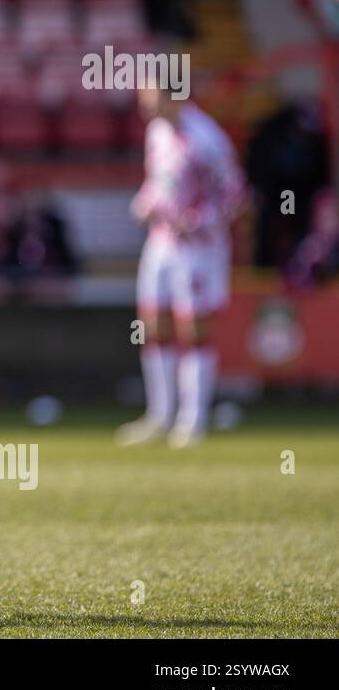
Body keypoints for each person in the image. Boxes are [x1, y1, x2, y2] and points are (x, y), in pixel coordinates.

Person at [117, 82, 245, 450]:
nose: (143, 103)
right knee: (152, 326)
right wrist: (144, 202)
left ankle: (193, 419)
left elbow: (236, 195)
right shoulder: (157, 132)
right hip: (160, 242)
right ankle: (160, 414)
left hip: (198, 248)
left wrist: (199, 220)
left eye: (150, 95)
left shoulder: (207, 139)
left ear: (173, 94)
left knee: (194, 330)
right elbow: (159, 183)